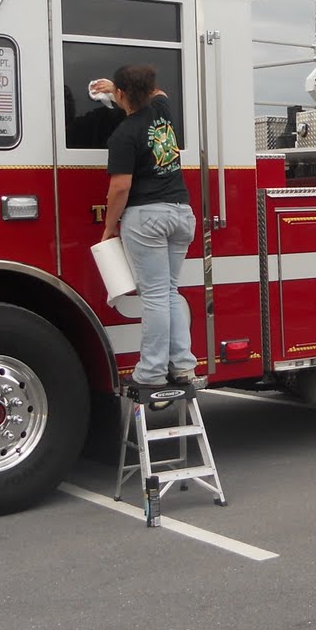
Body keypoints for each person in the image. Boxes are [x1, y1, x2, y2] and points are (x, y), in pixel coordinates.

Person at [96, 65, 199, 389]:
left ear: (122, 95)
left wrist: (109, 227)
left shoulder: (124, 134)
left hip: (148, 218)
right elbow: (158, 93)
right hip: (182, 213)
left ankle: (151, 372)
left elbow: (120, 188)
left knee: (154, 296)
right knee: (169, 292)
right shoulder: (162, 112)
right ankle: (183, 366)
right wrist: (119, 87)